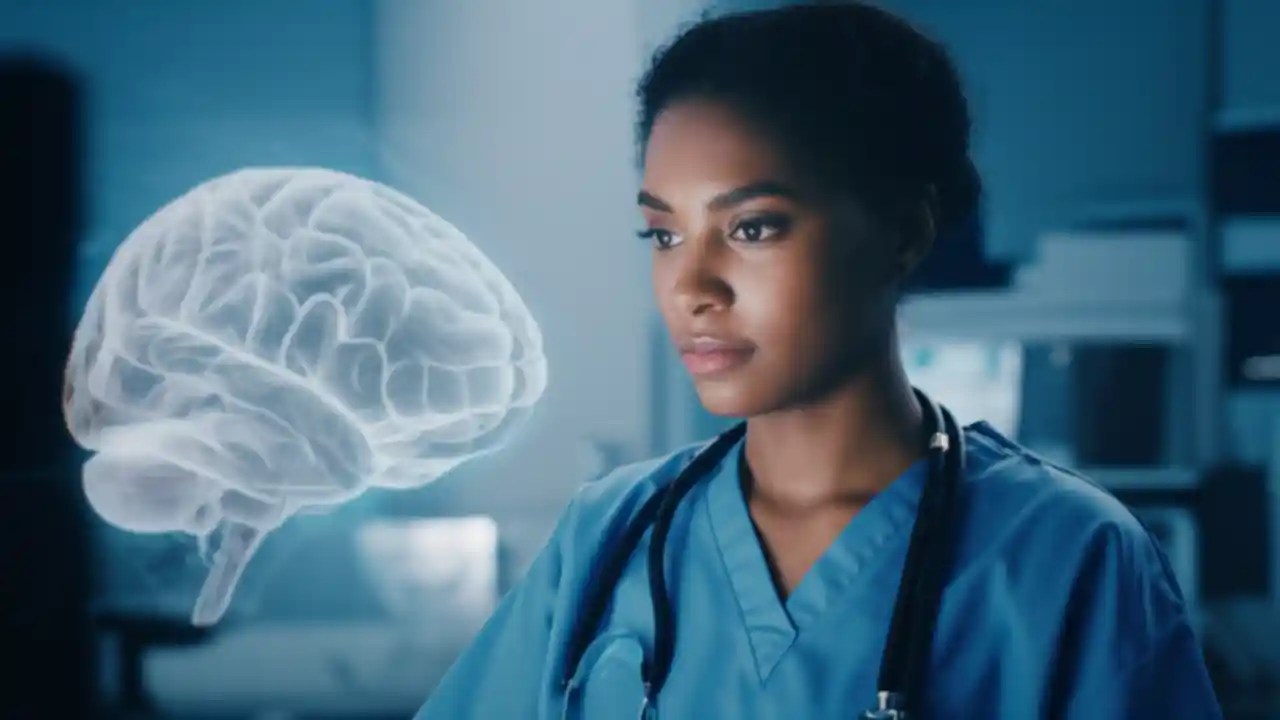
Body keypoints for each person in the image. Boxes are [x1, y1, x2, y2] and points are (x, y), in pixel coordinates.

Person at [413, 3, 1224, 717]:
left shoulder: (1066, 556)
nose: (692, 285)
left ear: (904, 232)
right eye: (664, 234)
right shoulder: (610, 536)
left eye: (753, 227)